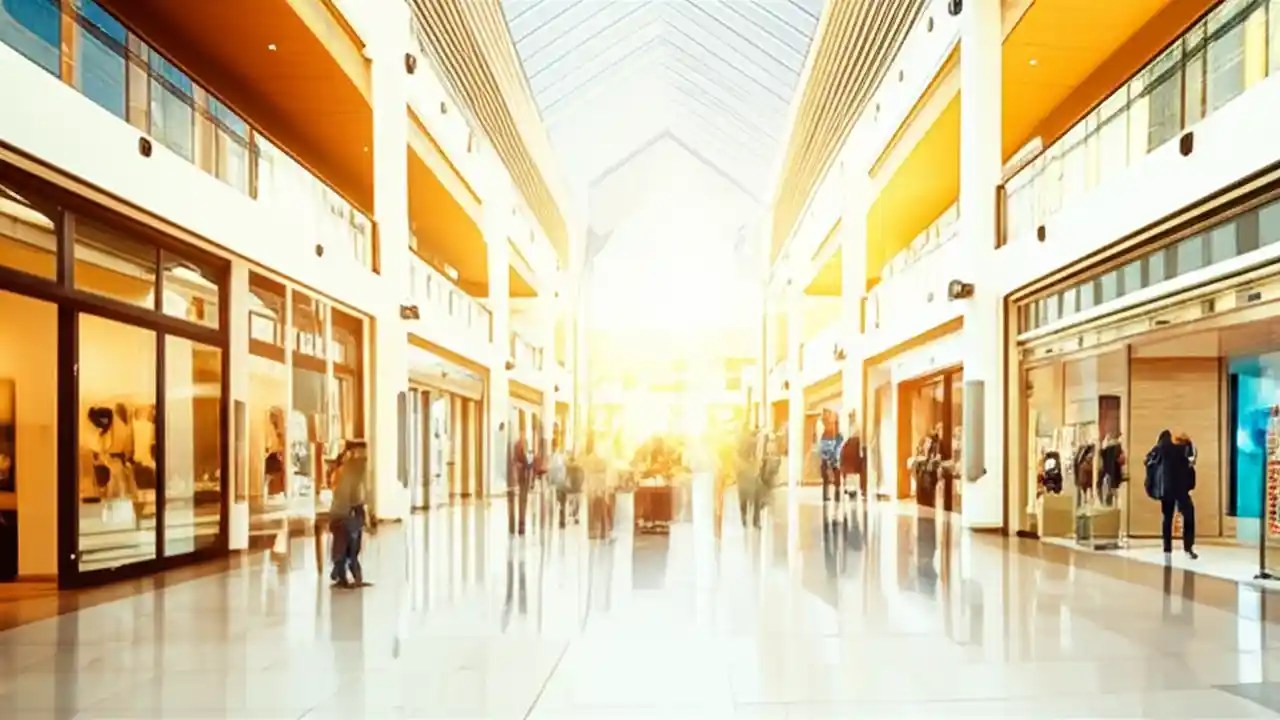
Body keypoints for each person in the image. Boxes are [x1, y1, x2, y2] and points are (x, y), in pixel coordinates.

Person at [1145, 429, 1197, 560]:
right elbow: (1191, 462)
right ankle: (1188, 547)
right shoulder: (1182, 449)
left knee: (1167, 517)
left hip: (1165, 490)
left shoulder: (1159, 449)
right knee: (1188, 514)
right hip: (1180, 489)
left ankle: (1167, 549)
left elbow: (1147, 461)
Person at [329, 439, 370, 587]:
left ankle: (342, 569)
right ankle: (343, 569)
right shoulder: (348, 469)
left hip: (345, 513)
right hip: (344, 513)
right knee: (349, 541)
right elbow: (350, 495)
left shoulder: (350, 468)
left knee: (349, 543)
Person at [737, 424, 761, 528]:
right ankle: (756, 521)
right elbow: (756, 456)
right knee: (756, 496)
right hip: (750, 470)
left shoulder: (738, 441)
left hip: (742, 471)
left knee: (743, 496)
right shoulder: (753, 441)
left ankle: (744, 518)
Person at [509, 429, 533, 536]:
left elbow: (529, 457)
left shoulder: (526, 443)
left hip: (526, 473)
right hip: (521, 474)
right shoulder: (517, 445)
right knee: (521, 498)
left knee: (524, 498)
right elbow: (514, 460)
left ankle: (522, 523)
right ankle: (520, 524)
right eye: (522, 433)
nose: (523, 435)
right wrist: (518, 467)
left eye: (524, 433)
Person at [819, 412, 844, 502]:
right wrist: (826, 456)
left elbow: (839, 446)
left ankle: (835, 494)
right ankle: (826, 494)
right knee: (825, 476)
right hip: (827, 458)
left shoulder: (838, 435)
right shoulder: (825, 434)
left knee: (836, 475)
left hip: (834, 459)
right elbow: (823, 447)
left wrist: (834, 457)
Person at [548, 439, 569, 528]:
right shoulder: (560, 456)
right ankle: (562, 521)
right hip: (562, 481)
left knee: (560, 501)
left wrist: (551, 481)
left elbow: (553, 470)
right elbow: (563, 467)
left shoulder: (554, 457)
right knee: (562, 502)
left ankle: (561, 521)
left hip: (559, 482)